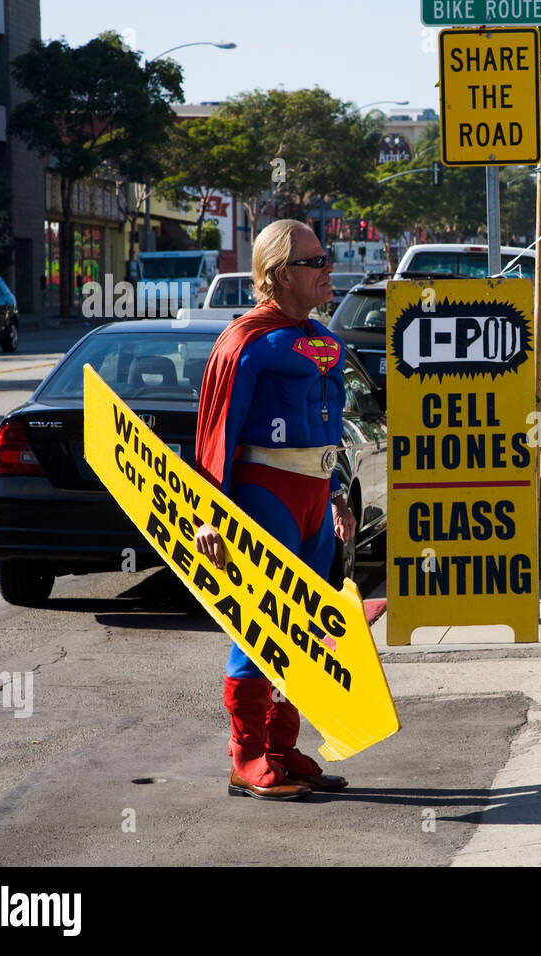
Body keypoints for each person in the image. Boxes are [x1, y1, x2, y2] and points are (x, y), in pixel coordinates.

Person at [193, 219, 356, 800]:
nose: (328, 268)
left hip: (315, 501)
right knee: (260, 625)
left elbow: (328, 426)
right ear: (282, 274)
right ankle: (247, 755)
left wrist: (337, 491)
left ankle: (283, 746)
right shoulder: (244, 343)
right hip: (265, 499)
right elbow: (216, 432)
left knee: (306, 631)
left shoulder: (322, 340)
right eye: (317, 261)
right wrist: (209, 515)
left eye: (327, 256)